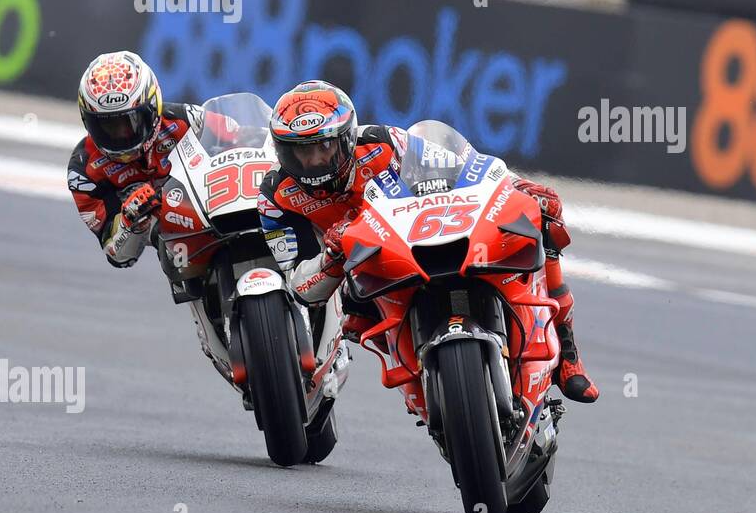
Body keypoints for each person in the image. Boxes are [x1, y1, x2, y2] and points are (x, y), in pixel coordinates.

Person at [258, 80, 598, 403]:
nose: (314, 162)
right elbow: (300, 286)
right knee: (356, 315)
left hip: (418, 233)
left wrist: (518, 186)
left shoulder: (383, 143)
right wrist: (330, 259)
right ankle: (420, 382)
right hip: (361, 264)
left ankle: (567, 348)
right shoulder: (275, 196)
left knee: (541, 219)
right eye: (300, 152)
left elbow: (465, 166)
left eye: (323, 147)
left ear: (345, 138)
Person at [67, 51, 234, 267]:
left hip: (220, 208)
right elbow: (118, 255)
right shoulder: (84, 171)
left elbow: (241, 136)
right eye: (108, 126)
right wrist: (129, 221)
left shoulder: (187, 120)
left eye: (131, 121)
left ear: (153, 107)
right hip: (178, 243)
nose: (121, 135)